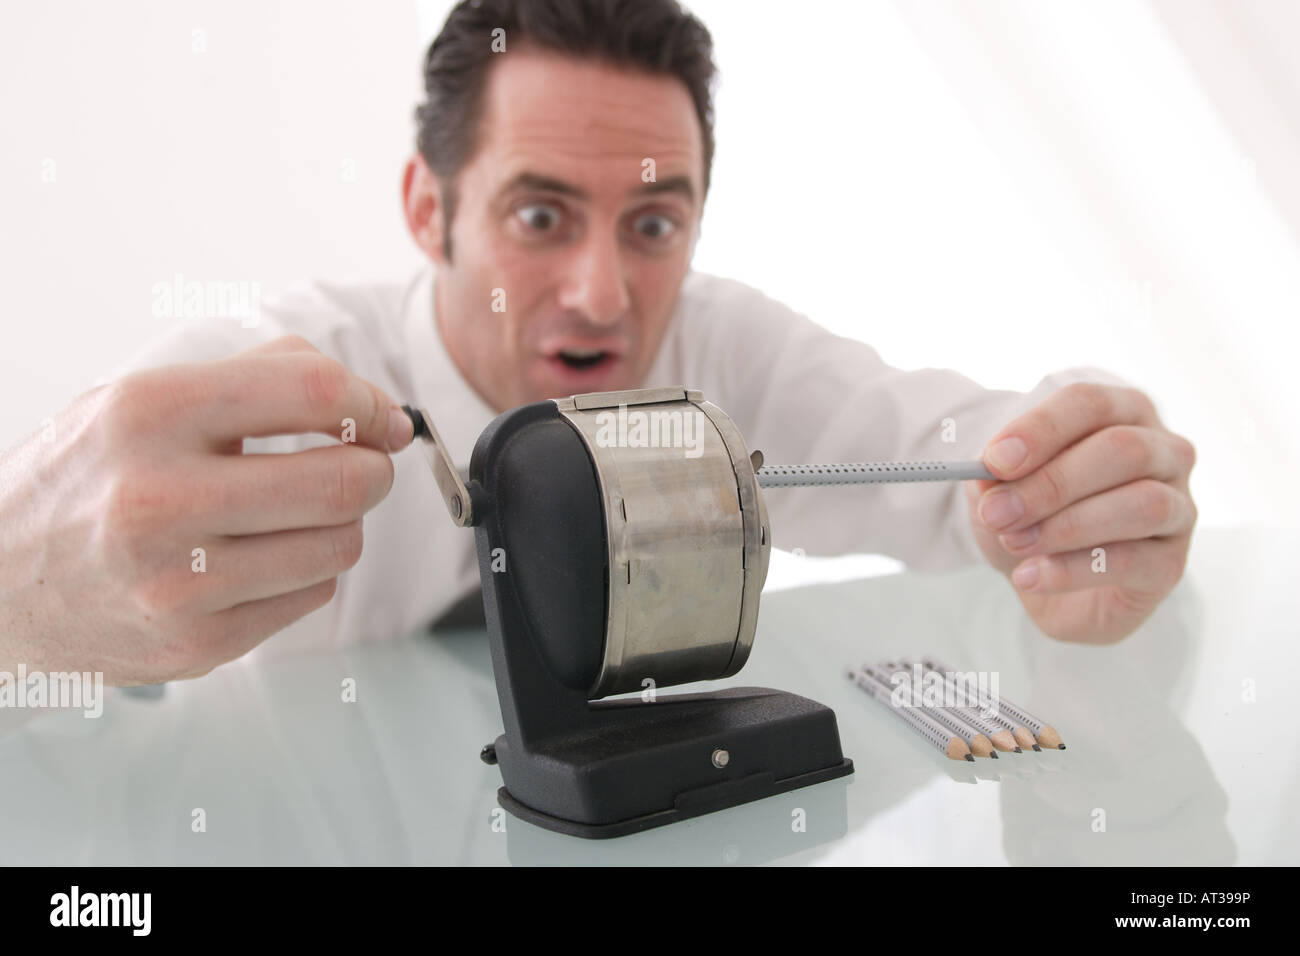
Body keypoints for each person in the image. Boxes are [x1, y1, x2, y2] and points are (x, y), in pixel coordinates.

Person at [0, 0, 1197, 687]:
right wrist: (23, 601)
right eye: (538, 216)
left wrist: (1095, 461)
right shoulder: (273, 382)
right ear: (428, 209)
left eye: (653, 222)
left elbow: (970, 463)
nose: (603, 292)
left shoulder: (724, 351)